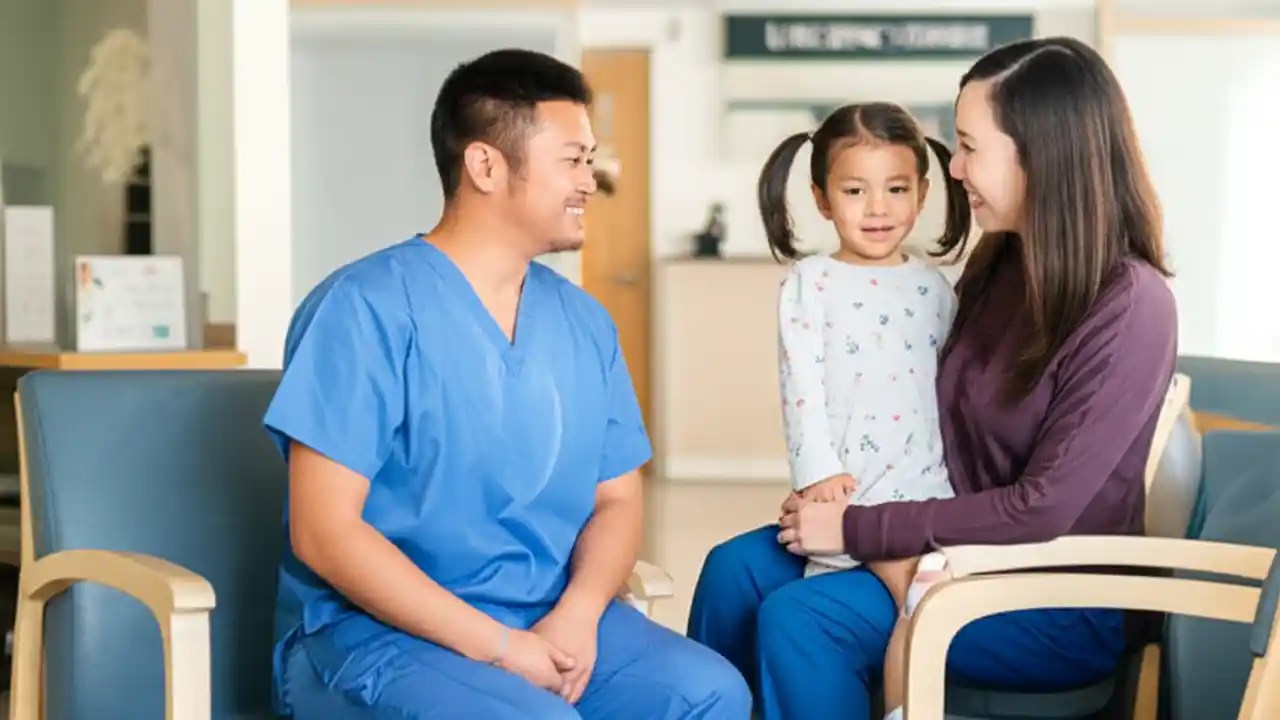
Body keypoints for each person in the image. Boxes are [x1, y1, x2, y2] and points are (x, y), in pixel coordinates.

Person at [687, 36, 1177, 720]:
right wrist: (848, 482)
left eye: (971, 147)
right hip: (947, 542)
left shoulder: (1131, 304)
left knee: (805, 621)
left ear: (1041, 153)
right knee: (731, 571)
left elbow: (1042, 507)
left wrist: (861, 529)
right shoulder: (999, 263)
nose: (953, 168)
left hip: (1049, 592)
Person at [262, 48, 751, 720]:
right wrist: (496, 646)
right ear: (486, 165)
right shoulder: (363, 308)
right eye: (572, 160)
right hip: (373, 636)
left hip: (547, 616)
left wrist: (577, 615)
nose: (590, 180)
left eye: (590, 159)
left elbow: (617, 500)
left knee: (711, 694)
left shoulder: (583, 322)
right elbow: (323, 532)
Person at [759, 101, 970, 715]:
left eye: (896, 189)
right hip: (849, 484)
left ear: (923, 193)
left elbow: (950, 390)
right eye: (855, 190)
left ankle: (908, 706)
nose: (878, 209)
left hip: (923, 480)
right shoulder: (811, 281)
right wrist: (818, 474)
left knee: (921, 596)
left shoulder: (934, 286)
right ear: (823, 198)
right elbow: (801, 387)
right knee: (882, 590)